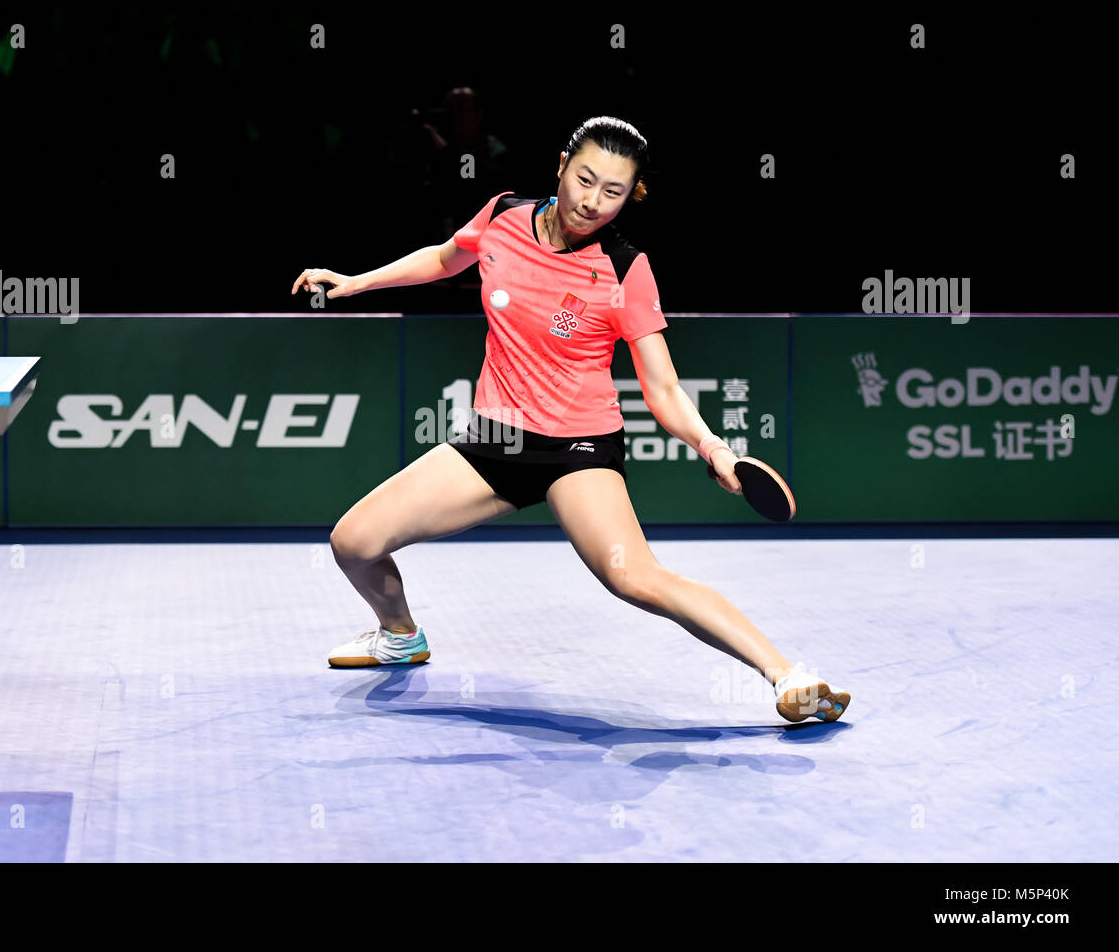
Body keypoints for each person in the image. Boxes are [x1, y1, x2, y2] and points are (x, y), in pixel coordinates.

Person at [291, 116, 849, 724]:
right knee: (353, 543)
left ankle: (790, 678)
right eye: (585, 179)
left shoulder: (624, 268)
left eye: (612, 192)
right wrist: (357, 282)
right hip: (494, 439)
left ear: (629, 196)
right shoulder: (503, 215)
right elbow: (448, 258)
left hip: (578, 447)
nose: (591, 201)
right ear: (561, 165)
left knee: (633, 576)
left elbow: (660, 385)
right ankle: (399, 635)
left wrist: (712, 446)